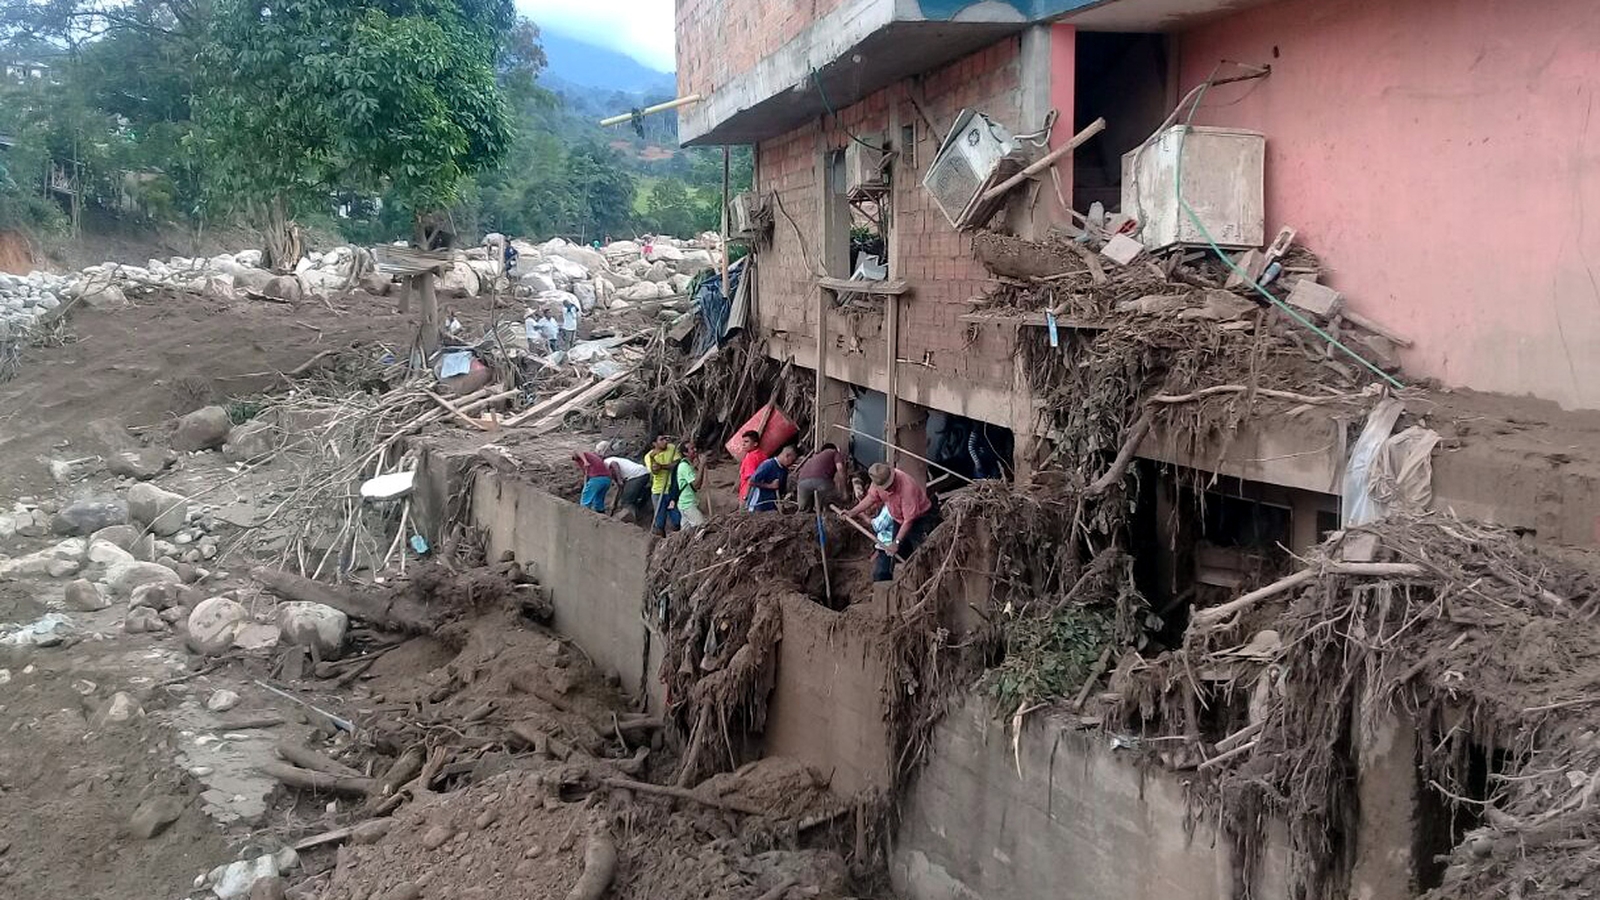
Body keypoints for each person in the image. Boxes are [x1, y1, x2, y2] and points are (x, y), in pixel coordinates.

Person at [847, 463, 941, 581]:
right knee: (897, 554)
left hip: (921, 519)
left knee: (923, 552)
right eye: (885, 487)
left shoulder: (907, 487)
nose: (888, 489)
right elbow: (870, 499)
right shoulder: (878, 482)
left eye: (890, 485)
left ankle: (928, 578)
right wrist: (852, 512)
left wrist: (896, 542)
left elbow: (909, 520)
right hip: (898, 519)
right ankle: (897, 581)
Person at [644, 434, 683, 535]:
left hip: (672, 491)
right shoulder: (649, 456)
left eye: (665, 439)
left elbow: (676, 464)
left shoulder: (672, 448)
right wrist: (653, 459)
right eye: (661, 440)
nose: (665, 441)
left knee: (677, 519)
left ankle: (678, 541)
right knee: (660, 522)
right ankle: (660, 543)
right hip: (658, 491)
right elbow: (655, 471)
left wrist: (662, 466)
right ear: (654, 443)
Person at [795, 442, 846, 513]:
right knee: (829, 504)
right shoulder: (834, 452)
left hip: (802, 483)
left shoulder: (814, 457)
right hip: (822, 481)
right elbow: (840, 468)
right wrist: (844, 492)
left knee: (803, 512)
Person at [746, 445, 797, 512]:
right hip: (759, 504)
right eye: (792, 461)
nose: (791, 464)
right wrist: (770, 486)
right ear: (787, 456)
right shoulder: (768, 465)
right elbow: (751, 482)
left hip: (772, 506)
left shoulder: (784, 470)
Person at [606, 454, 651, 524]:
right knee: (630, 497)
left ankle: (632, 521)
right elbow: (620, 488)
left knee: (627, 501)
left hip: (637, 475)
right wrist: (615, 503)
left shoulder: (606, 462)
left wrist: (619, 479)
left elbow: (614, 464)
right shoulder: (613, 469)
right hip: (642, 474)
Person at [672, 442, 707, 530]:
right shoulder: (684, 466)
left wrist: (700, 467)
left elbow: (697, 485)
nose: (695, 450)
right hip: (688, 504)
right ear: (685, 453)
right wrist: (702, 465)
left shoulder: (688, 466)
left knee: (685, 533)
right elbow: (695, 485)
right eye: (692, 449)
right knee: (701, 527)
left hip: (685, 504)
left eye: (695, 448)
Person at [573, 444, 612, 513]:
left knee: (586, 499)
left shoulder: (584, 456)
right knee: (598, 501)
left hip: (597, 479)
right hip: (607, 480)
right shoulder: (594, 457)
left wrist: (585, 461)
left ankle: (583, 515)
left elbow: (577, 450)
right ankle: (601, 516)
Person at [737, 431, 767, 505]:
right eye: (743, 442)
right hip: (760, 492)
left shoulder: (751, 457)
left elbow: (751, 479)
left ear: (755, 444)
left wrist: (745, 496)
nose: (743, 444)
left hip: (749, 493)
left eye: (746, 442)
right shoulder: (763, 455)